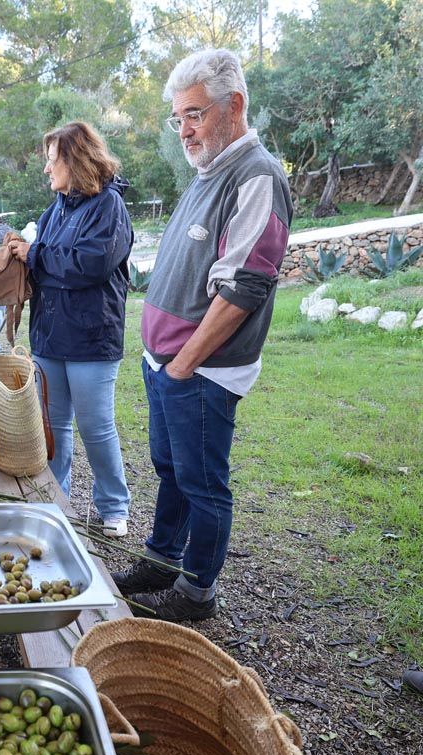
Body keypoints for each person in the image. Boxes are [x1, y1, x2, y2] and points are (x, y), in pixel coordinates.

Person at [109, 49, 291, 621]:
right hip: (168, 365)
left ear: (233, 105)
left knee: (203, 483)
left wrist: (184, 364)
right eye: (178, 118)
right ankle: (162, 561)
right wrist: (162, 362)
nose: (185, 129)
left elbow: (245, 287)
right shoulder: (208, 172)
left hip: (203, 369)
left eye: (194, 114)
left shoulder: (256, 175)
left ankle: (196, 593)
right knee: (172, 471)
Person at [6, 122, 133, 539]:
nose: (47, 169)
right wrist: (22, 255)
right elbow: (52, 260)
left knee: (96, 427)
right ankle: (56, 499)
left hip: (92, 338)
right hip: (49, 336)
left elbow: (89, 265)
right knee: (53, 426)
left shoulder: (109, 206)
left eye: (51, 160)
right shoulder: (55, 209)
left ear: (75, 160)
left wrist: (35, 254)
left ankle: (113, 506)